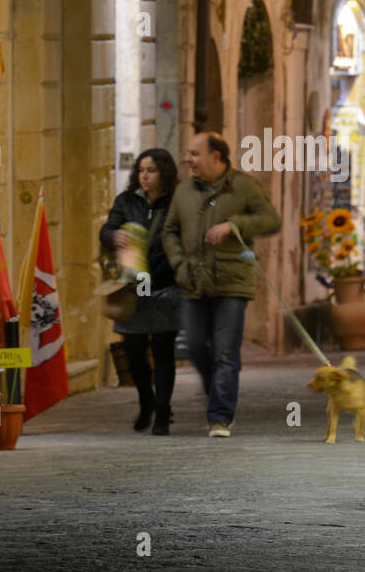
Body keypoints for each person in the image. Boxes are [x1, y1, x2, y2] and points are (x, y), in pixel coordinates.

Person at [161, 132, 281, 437]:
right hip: (193, 280)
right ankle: (219, 389)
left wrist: (234, 225)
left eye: (194, 154)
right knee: (198, 347)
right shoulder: (184, 191)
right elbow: (170, 230)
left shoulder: (243, 186)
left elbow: (271, 220)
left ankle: (220, 417)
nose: (187, 160)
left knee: (225, 352)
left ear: (216, 157)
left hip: (232, 282)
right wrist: (178, 263)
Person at [100, 149, 181, 435]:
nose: (145, 176)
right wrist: (113, 235)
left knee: (162, 351)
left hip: (164, 286)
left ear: (164, 174)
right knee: (134, 352)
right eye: (142, 170)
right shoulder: (126, 201)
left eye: (152, 171)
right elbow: (106, 230)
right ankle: (147, 401)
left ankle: (162, 410)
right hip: (132, 288)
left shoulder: (176, 202)